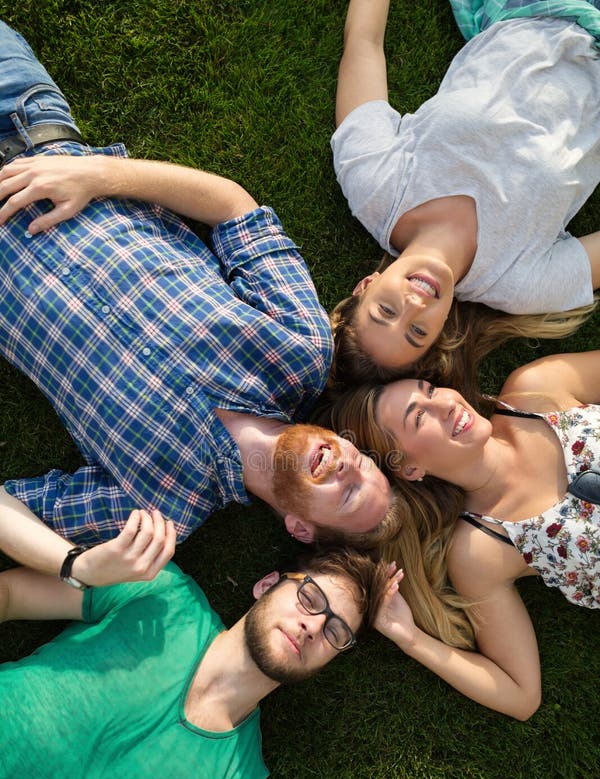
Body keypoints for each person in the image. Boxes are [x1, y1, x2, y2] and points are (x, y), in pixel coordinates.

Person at [0, 19, 398, 549]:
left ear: (301, 528)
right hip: (28, 126)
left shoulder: (161, 509)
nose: (346, 465)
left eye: (348, 496)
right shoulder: (301, 348)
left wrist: (79, 568)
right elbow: (236, 209)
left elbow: (17, 511)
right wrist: (95, 175)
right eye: (363, 463)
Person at [0, 486, 391, 779]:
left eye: (335, 632)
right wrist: (80, 565)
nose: (314, 625)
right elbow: (8, 596)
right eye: (310, 597)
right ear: (267, 585)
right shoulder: (158, 592)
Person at [329, 0, 600, 393]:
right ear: (440, 334)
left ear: (366, 285)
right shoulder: (518, 281)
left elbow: (364, 45)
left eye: (385, 311)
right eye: (417, 332)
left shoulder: (374, 185)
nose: (414, 305)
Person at [323, 351, 600, 720]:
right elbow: (520, 695)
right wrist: (411, 639)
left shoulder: (534, 391)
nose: (446, 404)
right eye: (420, 417)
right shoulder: (481, 548)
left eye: (432, 390)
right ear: (410, 468)